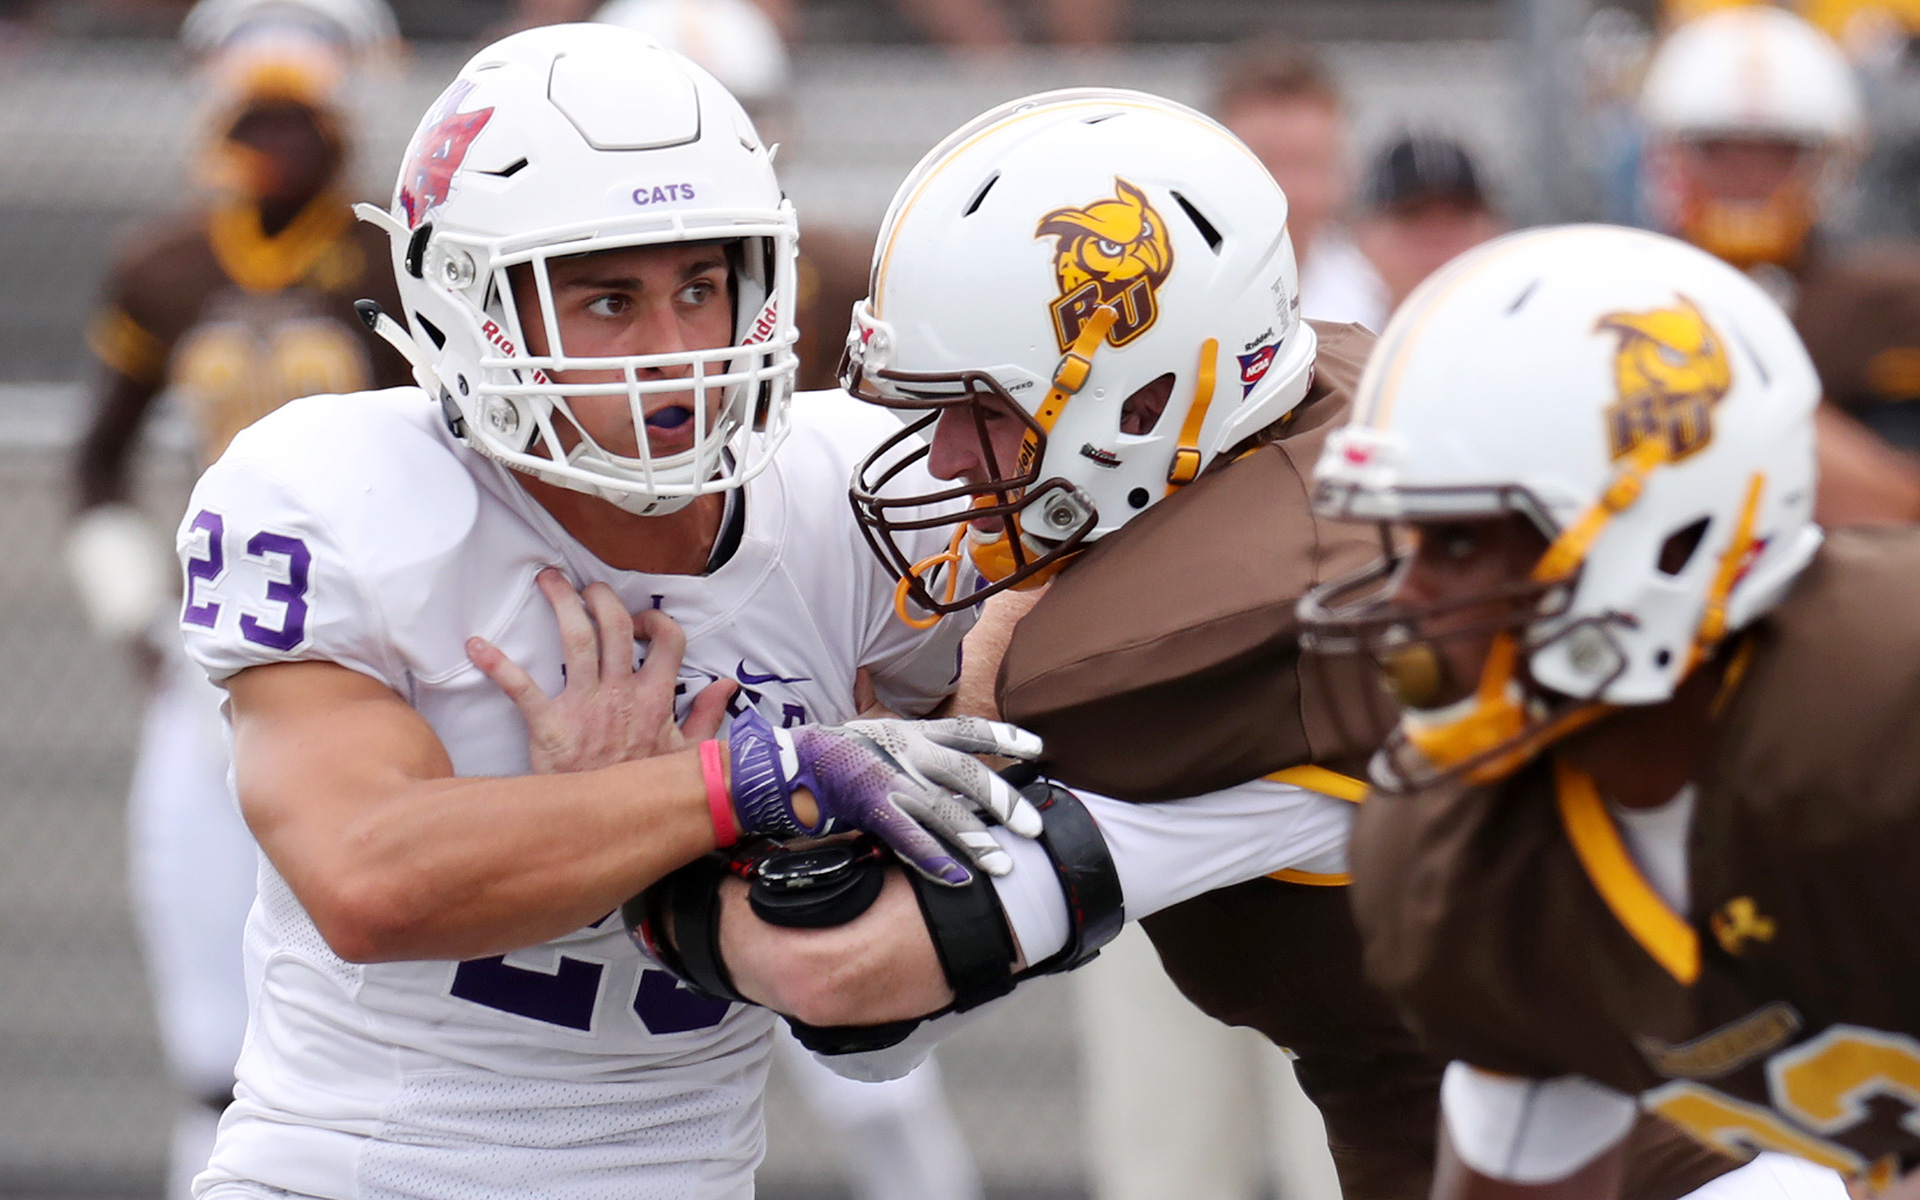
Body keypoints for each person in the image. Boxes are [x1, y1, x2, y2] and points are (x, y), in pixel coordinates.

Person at [175, 25, 1047, 1198]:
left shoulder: (856, 494)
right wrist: (747, 783)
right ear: (467, 306)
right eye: (607, 302)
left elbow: (882, 1027)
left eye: (701, 286)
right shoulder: (344, 491)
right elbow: (367, 878)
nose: (678, 352)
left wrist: (681, 838)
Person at [1299, 223, 1892, 1199]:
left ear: (1667, 535)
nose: (1405, 601)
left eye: (1459, 544)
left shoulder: (1881, 715)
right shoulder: (1467, 849)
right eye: (1404, 540)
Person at [63, 2, 404, 1196]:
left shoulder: (388, 259)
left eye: (293, 118)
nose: (276, 141)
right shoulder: (165, 263)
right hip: (213, 645)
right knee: (209, 1022)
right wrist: (129, 620)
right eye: (256, 118)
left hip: (366, 648)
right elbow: (95, 464)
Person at [1641, 5, 1920, 459]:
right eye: (1717, 151)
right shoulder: (1621, 292)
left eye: (1778, 154)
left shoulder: (1885, 306)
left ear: (1829, 167)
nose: (1748, 177)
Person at [1216, 40, 1387, 329]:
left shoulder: (1377, 304)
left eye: (1305, 164)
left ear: (1342, 173)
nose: (1283, 191)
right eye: (1265, 163)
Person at [1353, 132, 1504, 316]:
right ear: (1365, 237)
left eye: (1458, 217)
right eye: (1412, 217)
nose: (1438, 241)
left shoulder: (1534, 338)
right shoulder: (1319, 337)